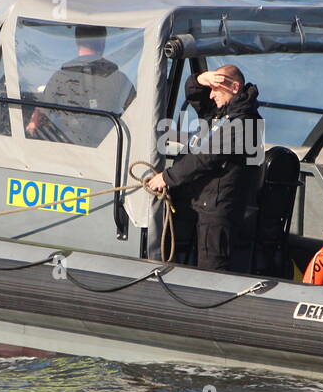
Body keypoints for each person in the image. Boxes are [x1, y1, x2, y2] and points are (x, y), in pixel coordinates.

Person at [147, 65, 262, 273]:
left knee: (213, 269)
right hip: (202, 203)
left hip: (219, 209)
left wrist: (166, 177)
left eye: (216, 89)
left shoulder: (246, 123)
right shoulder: (221, 113)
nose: (211, 94)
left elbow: (206, 157)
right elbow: (195, 94)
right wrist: (202, 78)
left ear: (234, 87)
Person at [26, 25, 137, 147]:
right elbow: (136, 111)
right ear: (103, 42)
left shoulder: (60, 77)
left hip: (66, 148)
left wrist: (32, 124)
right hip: (109, 153)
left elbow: (39, 117)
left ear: (77, 41)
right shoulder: (119, 79)